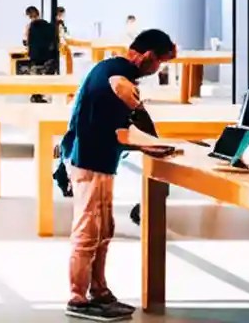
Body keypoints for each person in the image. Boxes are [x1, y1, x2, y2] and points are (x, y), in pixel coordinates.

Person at [59, 29, 174, 321]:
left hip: (97, 158)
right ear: (148, 57)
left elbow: (116, 125)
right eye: (160, 61)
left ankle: (98, 291)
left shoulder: (110, 68)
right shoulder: (118, 77)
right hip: (91, 161)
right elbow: (127, 122)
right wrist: (150, 142)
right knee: (88, 230)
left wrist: (147, 144)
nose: (158, 68)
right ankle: (78, 297)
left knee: (103, 229)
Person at [23, 6, 59, 102]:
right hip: (49, 60)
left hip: (36, 59)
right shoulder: (50, 26)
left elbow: (25, 42)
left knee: (35, 80)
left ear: (28, 16)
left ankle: (36, 96)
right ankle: (41, 95)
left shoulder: (30, 27)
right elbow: (55, 43)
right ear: (38, 14)